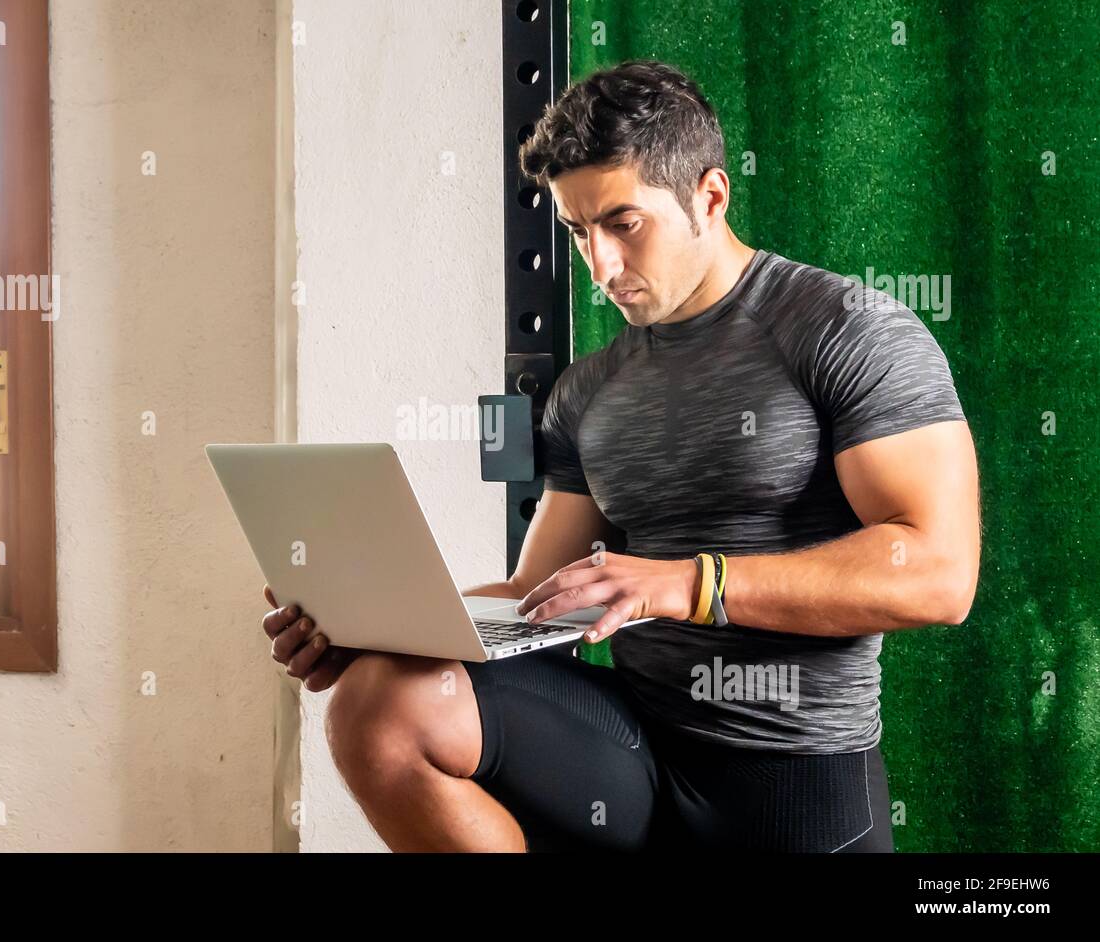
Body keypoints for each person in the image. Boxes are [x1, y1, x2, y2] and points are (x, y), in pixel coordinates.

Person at [261, 59, 981, 852]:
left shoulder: (846, 328)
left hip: (793, 773)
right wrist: (378, 627)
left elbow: (940, 574)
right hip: (635, 749)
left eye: (622, 223)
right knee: (380, 702)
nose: (599, 266)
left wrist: (688, 583)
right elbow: (541, 593)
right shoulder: (591, 390)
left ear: (709, 197)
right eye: (578, 231)